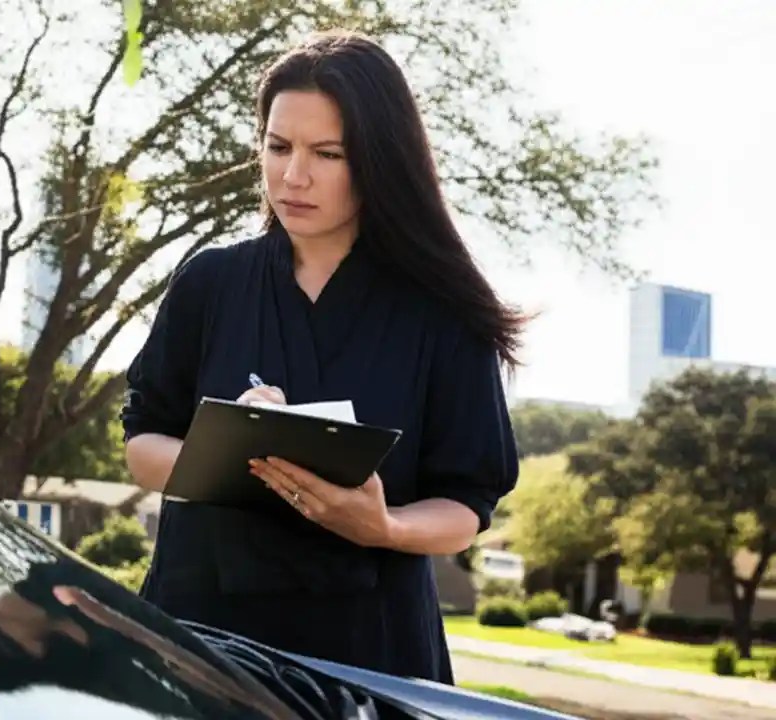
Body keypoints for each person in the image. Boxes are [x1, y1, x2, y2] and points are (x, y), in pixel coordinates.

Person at [120, 30, 524, 686]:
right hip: (199, 643)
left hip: (369, 659)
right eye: (277, 146)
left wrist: (383, 525)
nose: (292, 175)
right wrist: (233, 455)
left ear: (380, 161)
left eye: (327, 153)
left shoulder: (443, 313)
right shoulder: (210, 283)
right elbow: (143, 444)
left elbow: (466, 507)